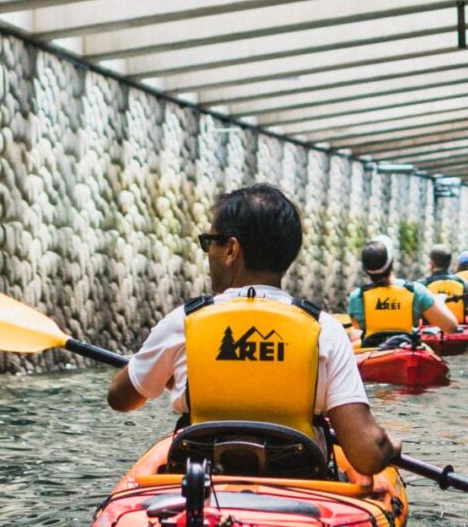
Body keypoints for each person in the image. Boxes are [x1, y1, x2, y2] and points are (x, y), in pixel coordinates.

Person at [107, 183, 402, 477]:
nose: (207, 251)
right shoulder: (324, 330)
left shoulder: (184, 322)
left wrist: (164, 370)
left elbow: (120, 398)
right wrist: (391, 445)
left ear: (231, 249)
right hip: (297, 491)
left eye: (209, 241)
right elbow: (366, 455)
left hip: (206, 484)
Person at [346, 236, 459, 341]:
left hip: (372, 356)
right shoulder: (416, 291)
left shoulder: (356, 297)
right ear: (391, 262)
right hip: (407, 354)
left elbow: (357, 329)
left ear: (365, 268)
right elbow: (451, 327)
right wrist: (438, 301)